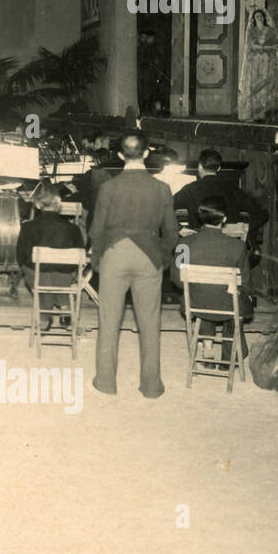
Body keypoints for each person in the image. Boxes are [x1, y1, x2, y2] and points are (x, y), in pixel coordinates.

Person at [88, 131, 178, 398]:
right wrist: (161, 257)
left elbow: (96, 231)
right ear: (147, 152)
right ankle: (151, 387)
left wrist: (98, 260)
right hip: (148, 255)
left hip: (115, 254)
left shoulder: (108, 187)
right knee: (150, 323)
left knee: (108, 321)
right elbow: (172, 233)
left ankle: (105, 382)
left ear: (119, 155)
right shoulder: (161, 188)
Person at [171, 196, 253, 362]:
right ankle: (229, 356)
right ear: (224, 219)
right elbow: (246, 283)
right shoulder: (238, 246)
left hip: (196, 304)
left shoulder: (183, 243)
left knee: (206, 291)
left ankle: (207, 347)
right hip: (228, 306)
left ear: (200, 218)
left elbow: (176, 278)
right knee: (233, 295)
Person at [15, 185, 85, 331]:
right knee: (56, 274)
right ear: (59, 205)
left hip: (38, 277)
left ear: (38, 205)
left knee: (41, 274)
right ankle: (65, 305)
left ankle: (45, 316)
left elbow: (20, 256)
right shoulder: (73, 229)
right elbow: (80, 254)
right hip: (65, 278)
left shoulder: (28, 227)